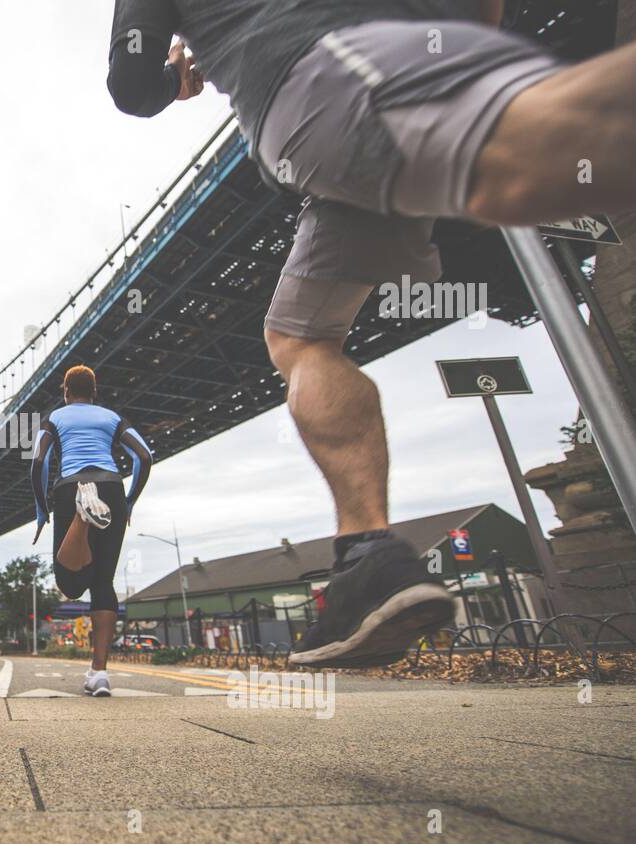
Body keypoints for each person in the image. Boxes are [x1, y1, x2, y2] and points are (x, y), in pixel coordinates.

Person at [105, 0, 636, 666]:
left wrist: (171, 81)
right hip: (358, 104)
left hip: (317, 88)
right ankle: (370, 555)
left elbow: (131, 84)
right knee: (298, 335)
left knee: (538, 145)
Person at [31, 366, 152, 696]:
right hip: (111, 487)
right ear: (94, 392)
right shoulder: (112, 418)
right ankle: (99, 674)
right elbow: (144, 456)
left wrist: (43, 509)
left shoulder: (54, 419)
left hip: (73, 486)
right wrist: (128, 502)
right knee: (103, 582)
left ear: (66, 392)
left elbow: (39, 462)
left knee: (69, 584)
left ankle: (82, 517)